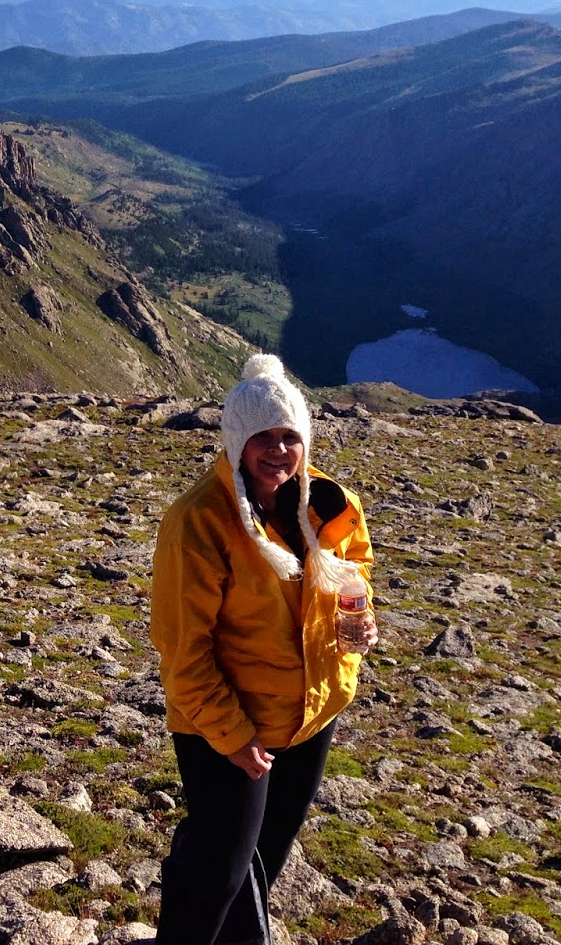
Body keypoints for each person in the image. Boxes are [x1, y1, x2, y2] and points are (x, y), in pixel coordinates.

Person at [150, 353, 377, 945]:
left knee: (261, 861)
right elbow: (183, 651)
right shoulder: (199, 520)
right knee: (219, 870)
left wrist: (355, 635)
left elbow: (352, 577)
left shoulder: (328, 502)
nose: (278, 451)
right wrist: (233, 735)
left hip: (309, 715)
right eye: (262, 439)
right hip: (230, 724)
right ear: (235, 442)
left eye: (289, 437)